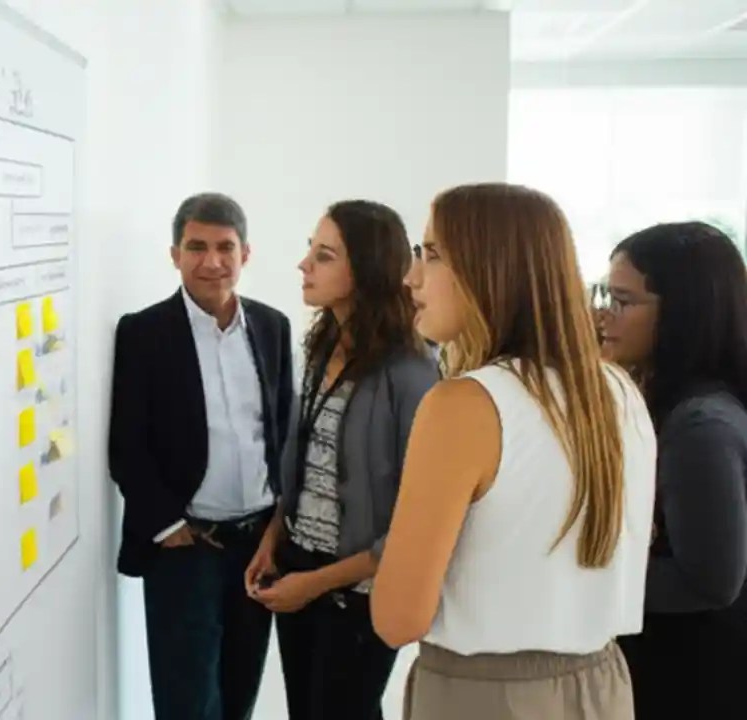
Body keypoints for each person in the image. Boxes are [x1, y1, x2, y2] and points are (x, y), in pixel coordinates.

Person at [371, 183, 657, 719]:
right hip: (603, 685)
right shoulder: (620, 393)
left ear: (491, 270)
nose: (411, 277)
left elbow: (397, 618)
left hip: (484, 696)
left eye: (431, 254)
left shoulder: (462, 405)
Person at [243, 200, 438, 719]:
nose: (303, 264)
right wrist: (274, 536)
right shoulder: (321, 342)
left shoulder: (413, 371)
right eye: (311, 248)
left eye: (323, 254)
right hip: (298, 566)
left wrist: (315, 585)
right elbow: (303, 461)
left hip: (359, 590)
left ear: (368, 269)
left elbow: (413, 522)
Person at [108, 192, 294, 720]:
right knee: (187, 704)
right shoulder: (144, 332)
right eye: (196, 247)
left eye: (225, 247)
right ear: (174, 254)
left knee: (239, 695)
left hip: (257, 546)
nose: (212, 262)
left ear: (245, 254)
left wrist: (278, 523)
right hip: (185, 547)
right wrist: (168, 527)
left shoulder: (272, 327)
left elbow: (280, 430)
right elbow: (127, 444)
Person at [599, 221, 747, 720]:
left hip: (693, 679)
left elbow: (710, 580)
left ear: (683, 313)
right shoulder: (669, 405)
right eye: (604, 295)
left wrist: (583, 578)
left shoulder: (700, 425)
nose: (603, 315)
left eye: (623, 301)